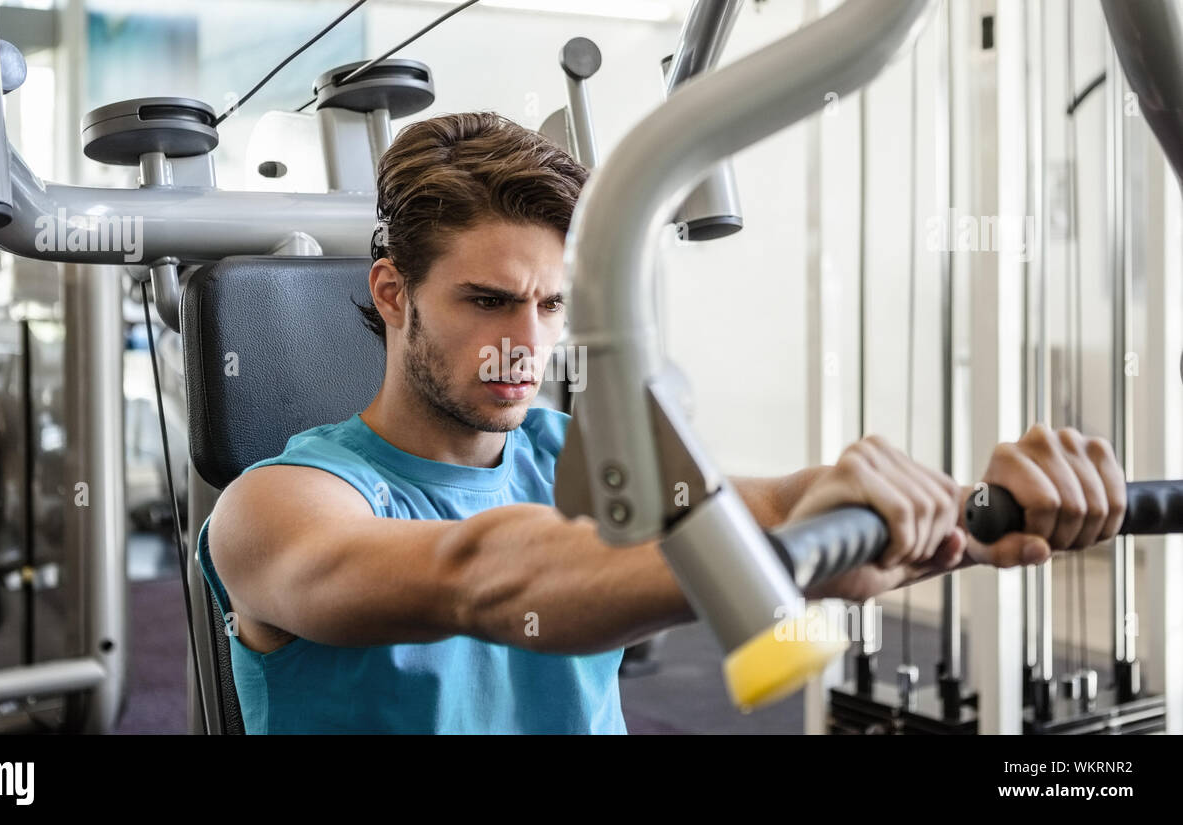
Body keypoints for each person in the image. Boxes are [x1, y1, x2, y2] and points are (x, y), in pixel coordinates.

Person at [201, 111, 1126, 734]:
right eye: (488, 301)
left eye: (552, 306)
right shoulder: (275, 507)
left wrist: (977, 504)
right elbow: (478, 574)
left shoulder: (575, 455)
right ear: (393, 291)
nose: (528, 344)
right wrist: (774, 539)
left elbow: (772, 498)